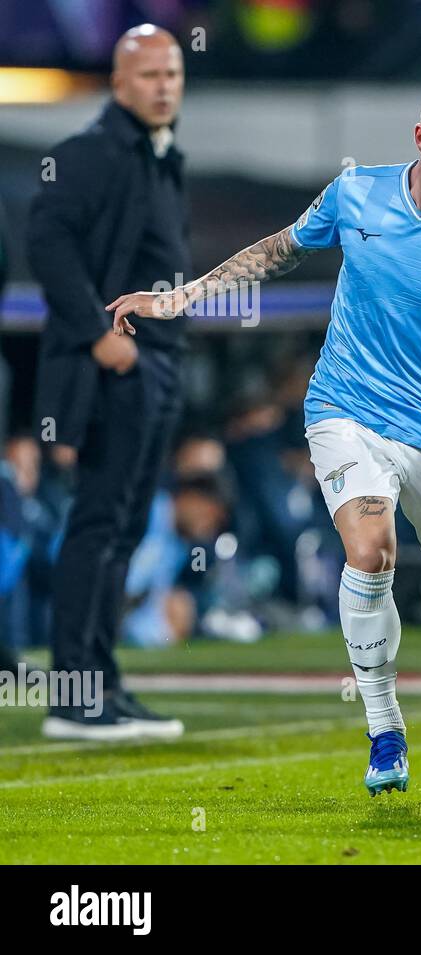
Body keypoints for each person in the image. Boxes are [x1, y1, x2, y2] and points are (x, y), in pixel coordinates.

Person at [109, 72, 421, 807]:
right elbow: (277, 250)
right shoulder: (356, 193)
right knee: (371, 550)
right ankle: (384, 727)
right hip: (347, 409)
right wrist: (178, 297)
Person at [29, 25, 188, 741]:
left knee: (121, 527)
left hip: (155, 362)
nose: (163, 86)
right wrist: (99, 333)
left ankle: (101, 682)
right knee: (98, 524)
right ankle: (73, 695)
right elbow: (47, 243)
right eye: (149, 74)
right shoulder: (89, 154)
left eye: (172, 73)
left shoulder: (158, 156)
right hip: (115, 366)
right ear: (119, 83)